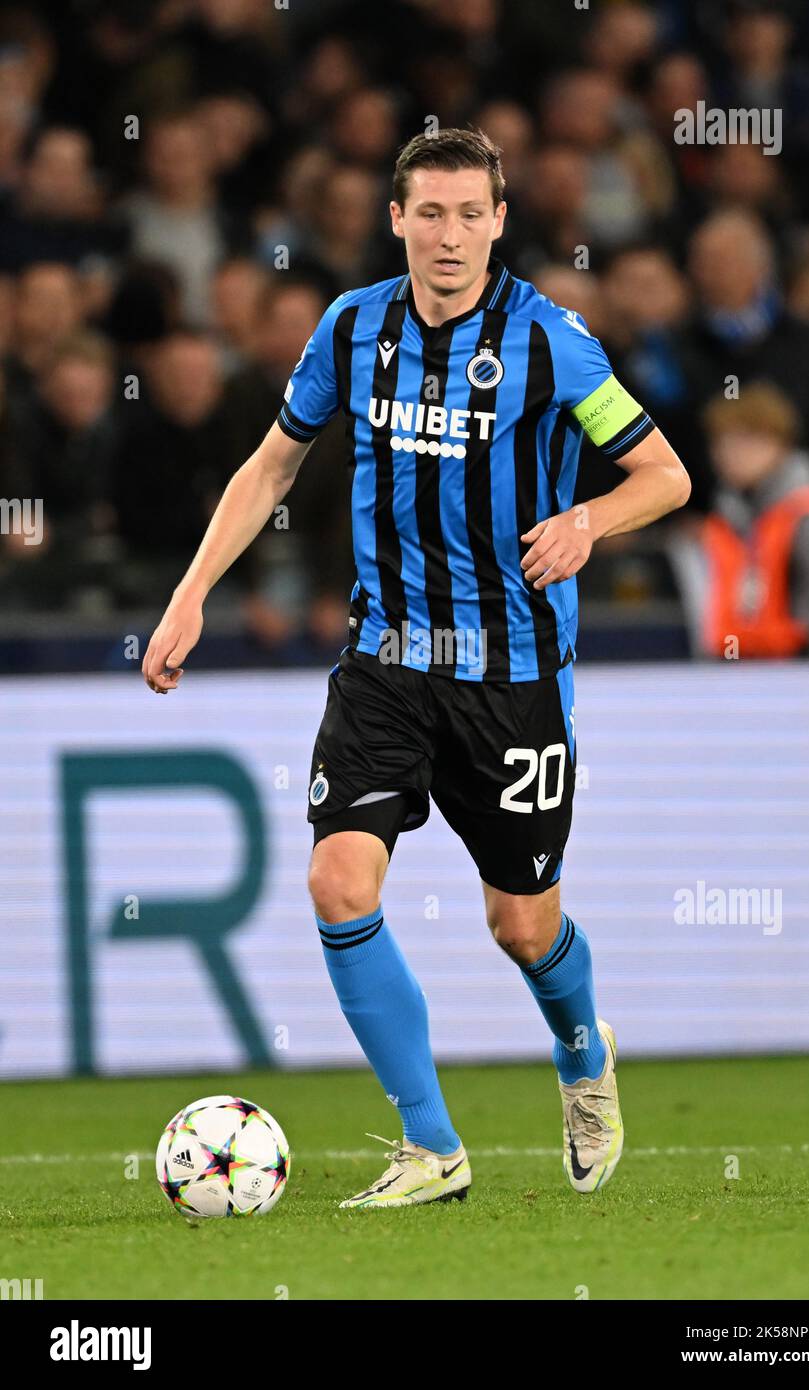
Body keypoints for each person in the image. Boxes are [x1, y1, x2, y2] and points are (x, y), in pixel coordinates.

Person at [142, 128, 690, 1208]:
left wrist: (588, 517)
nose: (448, 236)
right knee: (336, 881)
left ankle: (581, 1053)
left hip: (511, 670)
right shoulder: (350, 329)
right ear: (395, 220)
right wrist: (193, 589)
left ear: (498, 223)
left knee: (519, 924)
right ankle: (431, 1146)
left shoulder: (549, 343)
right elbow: (272, 464)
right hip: (383, 660)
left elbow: (662, 474)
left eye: (468, 215)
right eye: (427, 214)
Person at [669, 383, 809, 659]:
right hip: (752, 677)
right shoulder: (732, 515)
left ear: (780, 443)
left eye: (745, 441)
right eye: (721, 442)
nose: (730, 454)